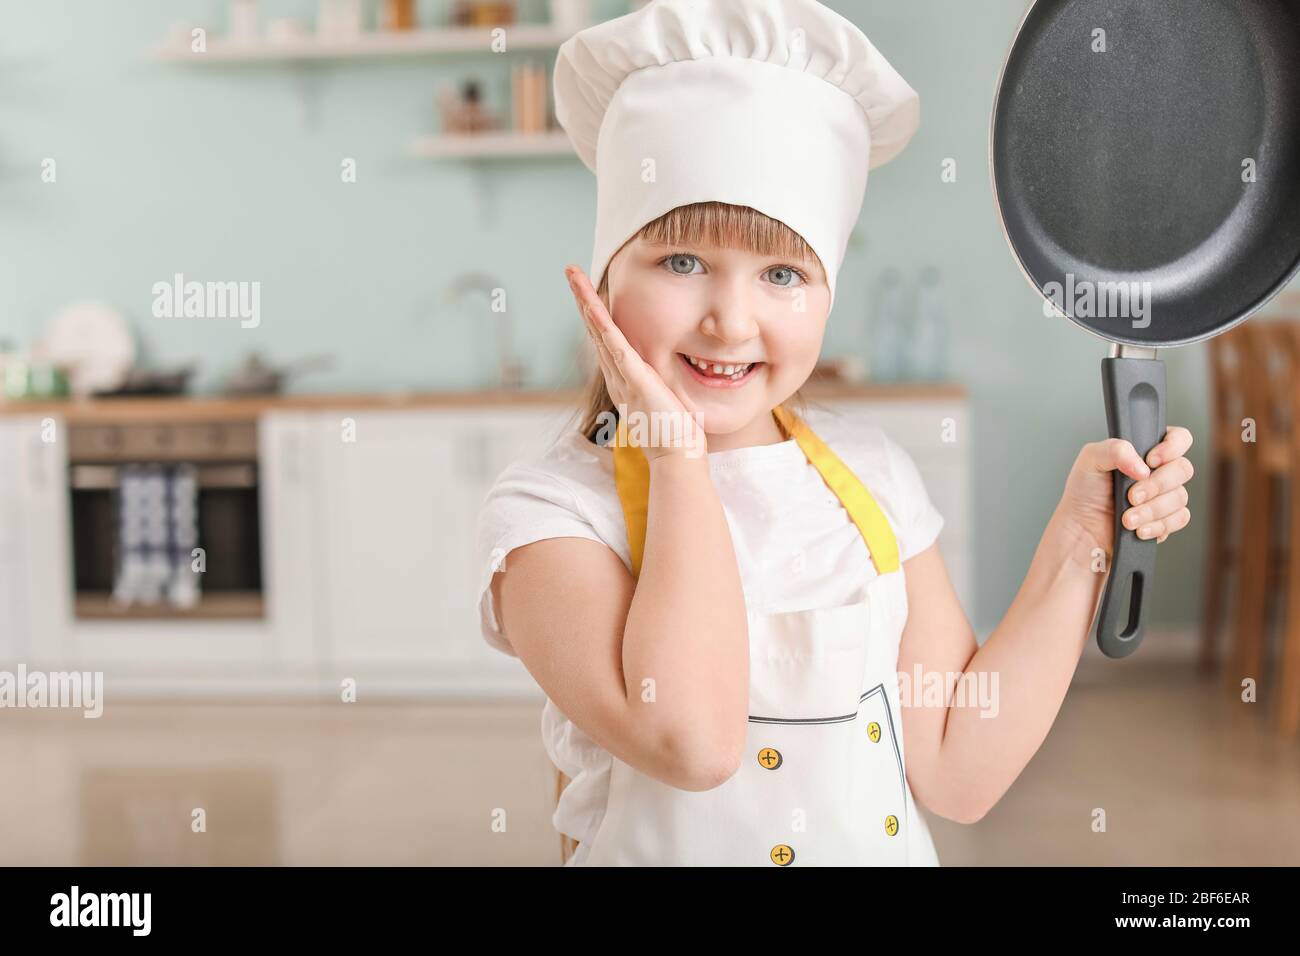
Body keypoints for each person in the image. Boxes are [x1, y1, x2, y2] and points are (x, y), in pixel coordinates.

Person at [474, 0, 1195, 866]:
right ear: (601, 279)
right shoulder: (549, 517)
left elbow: (961, 771)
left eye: (783, 273)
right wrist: (675, 456)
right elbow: (693, 743)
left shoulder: (872, 475)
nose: (731, 322)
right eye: (682, 262)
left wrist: (1083, 537)